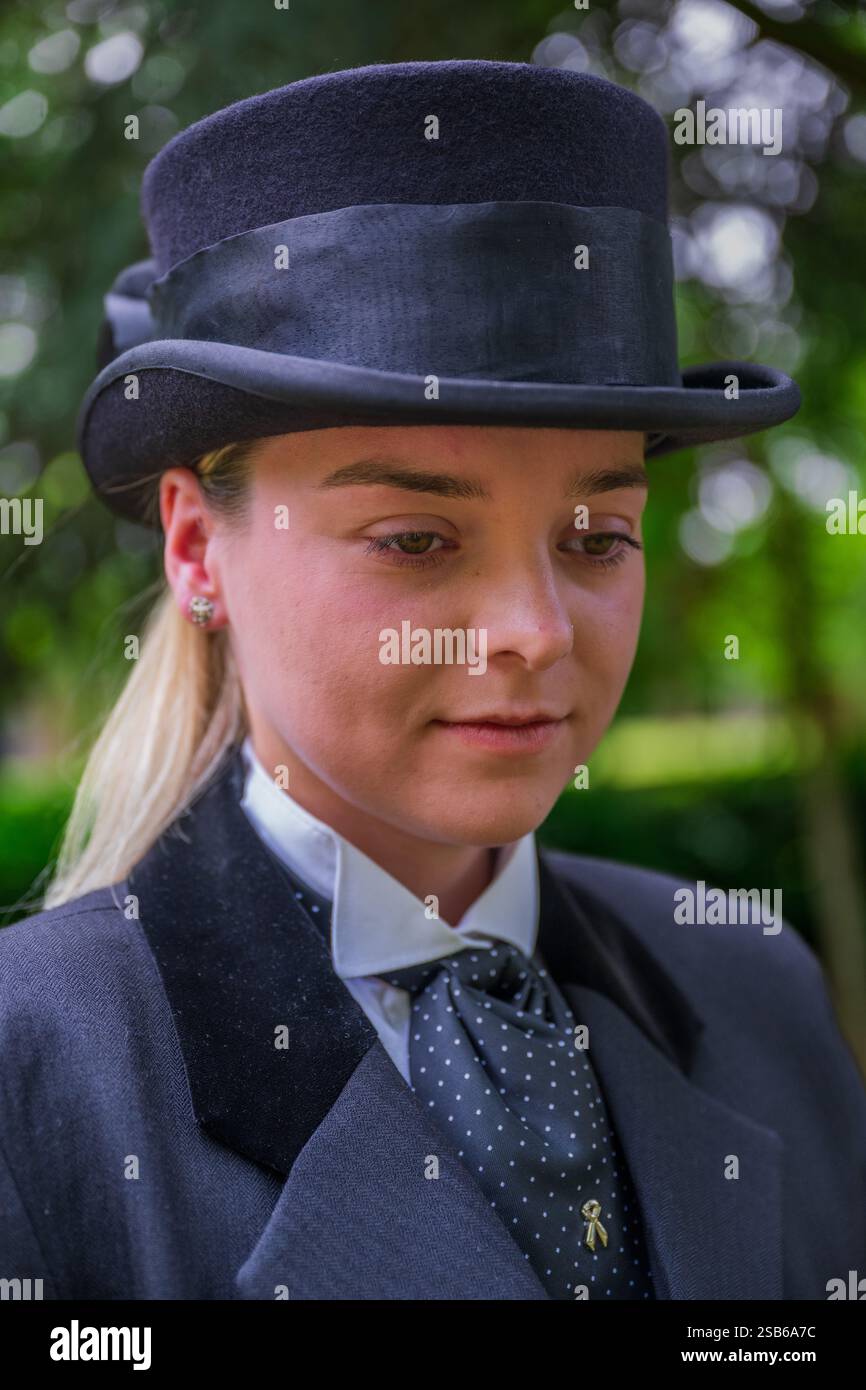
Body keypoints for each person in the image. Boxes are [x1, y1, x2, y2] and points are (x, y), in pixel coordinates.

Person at [2, 58, 864, 1302]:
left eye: (593, 537)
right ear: (197, 546)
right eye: (414, 539)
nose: (531, 631)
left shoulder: (752, 988)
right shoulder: (36, 1077)